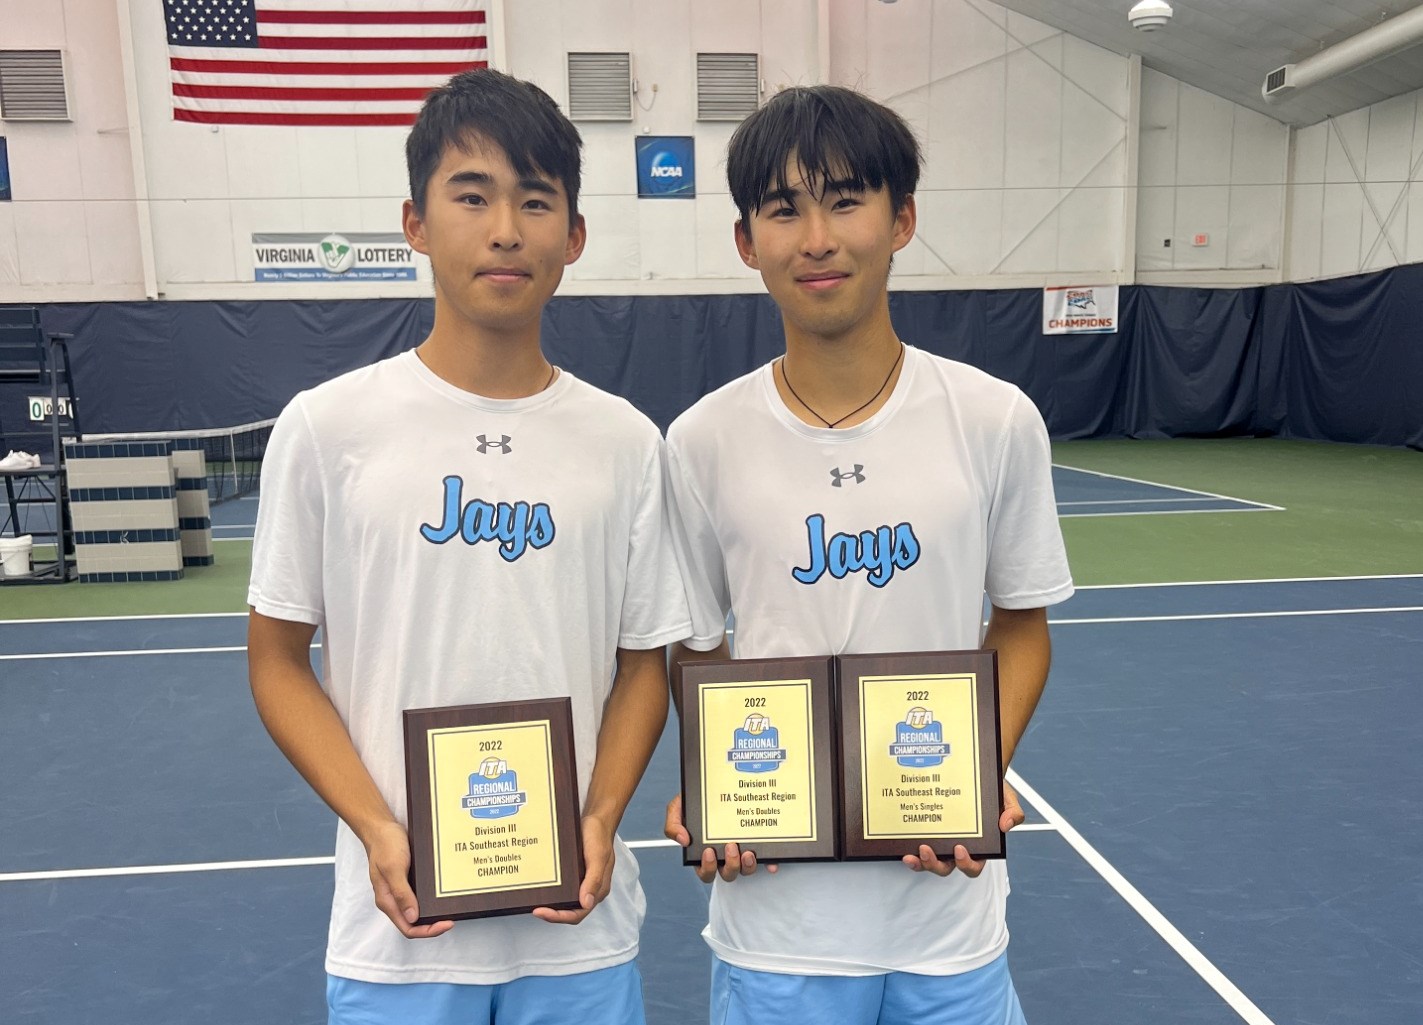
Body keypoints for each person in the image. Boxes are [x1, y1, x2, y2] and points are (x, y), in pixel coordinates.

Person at [246, 69, 690, 1025]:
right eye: (472, 195)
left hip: (577, 936)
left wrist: (602, 815)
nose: (504, 229)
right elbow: (276, 662)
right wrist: (374, 825)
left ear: (572, 236)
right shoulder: (329, 428)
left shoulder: (625, 440)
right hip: (397, 941)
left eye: (535, 202)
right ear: (414, 221)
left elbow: (645, 664)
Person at [662, 85, 1074, 1024]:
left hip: (947, 922)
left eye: (846, 200)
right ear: (744, 240)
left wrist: (976, 768)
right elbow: (693, 649)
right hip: (776, 926)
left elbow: (1020, 624)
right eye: (783, 209)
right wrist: (714, 778)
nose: (816, 237)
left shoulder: (994, 419)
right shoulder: (699, 440)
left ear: (901, 220)